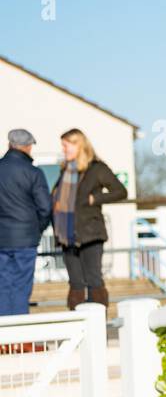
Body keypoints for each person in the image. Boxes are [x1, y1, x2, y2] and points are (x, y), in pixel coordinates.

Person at [51, 129, 128, 309]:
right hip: (67, 236)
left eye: (66, 145)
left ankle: (99, 323)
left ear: (79, 145)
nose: (63, 149)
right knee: (76, 283)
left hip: (91, 233)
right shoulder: (66, 170)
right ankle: (78, 325)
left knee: (94, 279)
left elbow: (121, 192)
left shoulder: (97, 168)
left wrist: (96, 199)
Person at [0, 129, 53, 316]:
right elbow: (45, 208)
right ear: (28, 146)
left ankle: (4, 339)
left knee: (3, 287)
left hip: (2, 239)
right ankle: (20, 339)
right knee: (21, 288)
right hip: (25, 240)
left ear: (9, 144)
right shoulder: (34, 173)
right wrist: (36, 230)